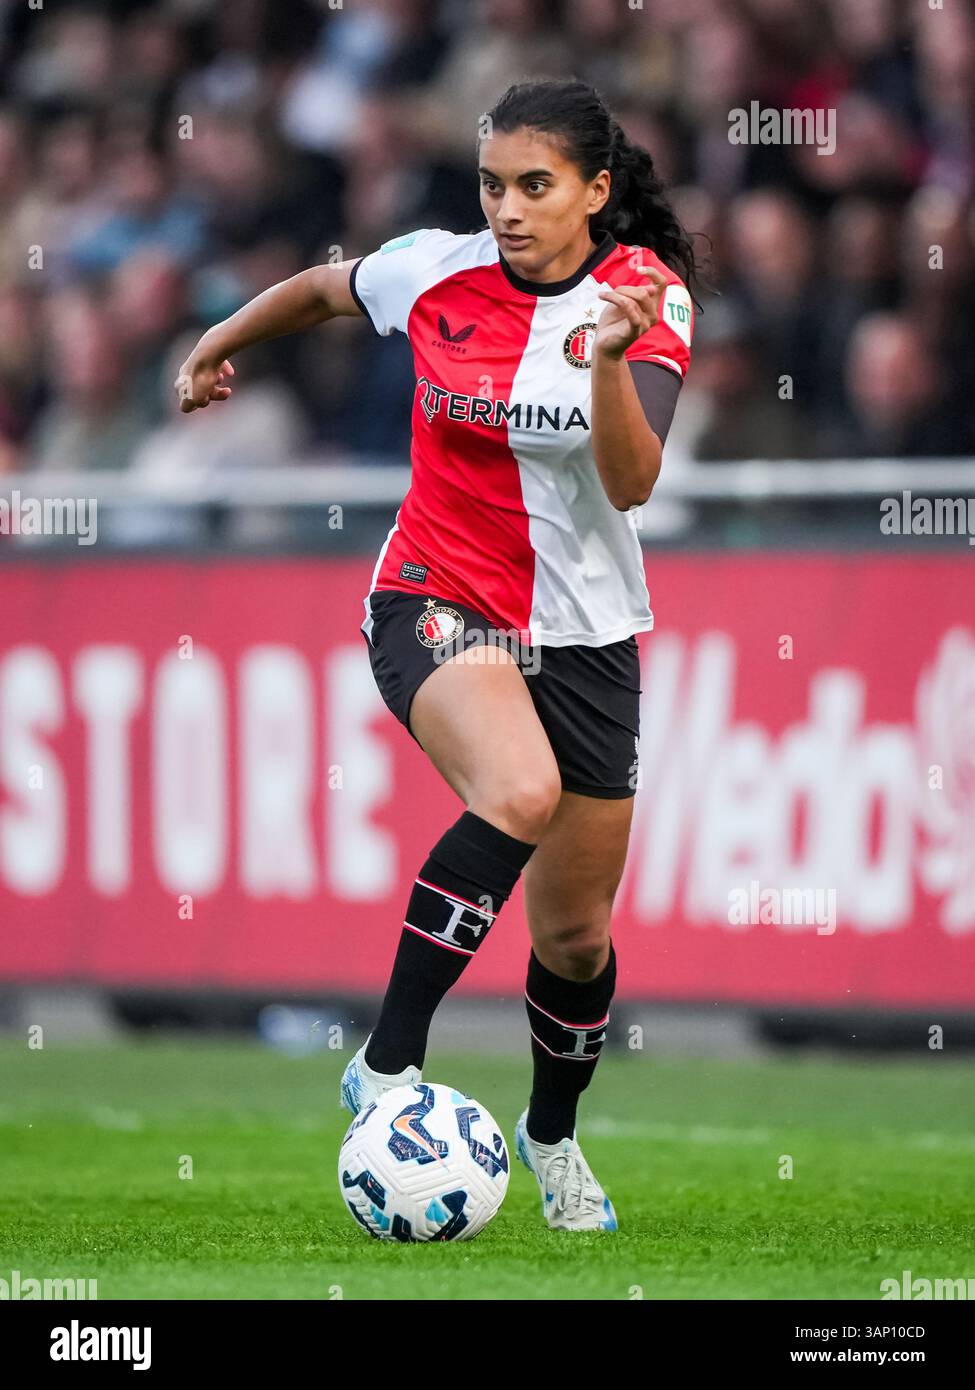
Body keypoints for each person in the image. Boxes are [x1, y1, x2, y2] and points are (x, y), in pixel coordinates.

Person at [175, 77, 699, 1232]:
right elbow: (322, 288)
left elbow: (631, 482)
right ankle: (389, 1063)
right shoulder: (433, 267)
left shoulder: (644, 297)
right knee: (518, 789)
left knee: (574, 935)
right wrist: (218, 340)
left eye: (535, 186)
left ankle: (552, 1139)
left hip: (590, 636)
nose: (506, 209)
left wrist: (608, 361)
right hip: (435, 593)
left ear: (595, 192)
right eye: (491, 184)